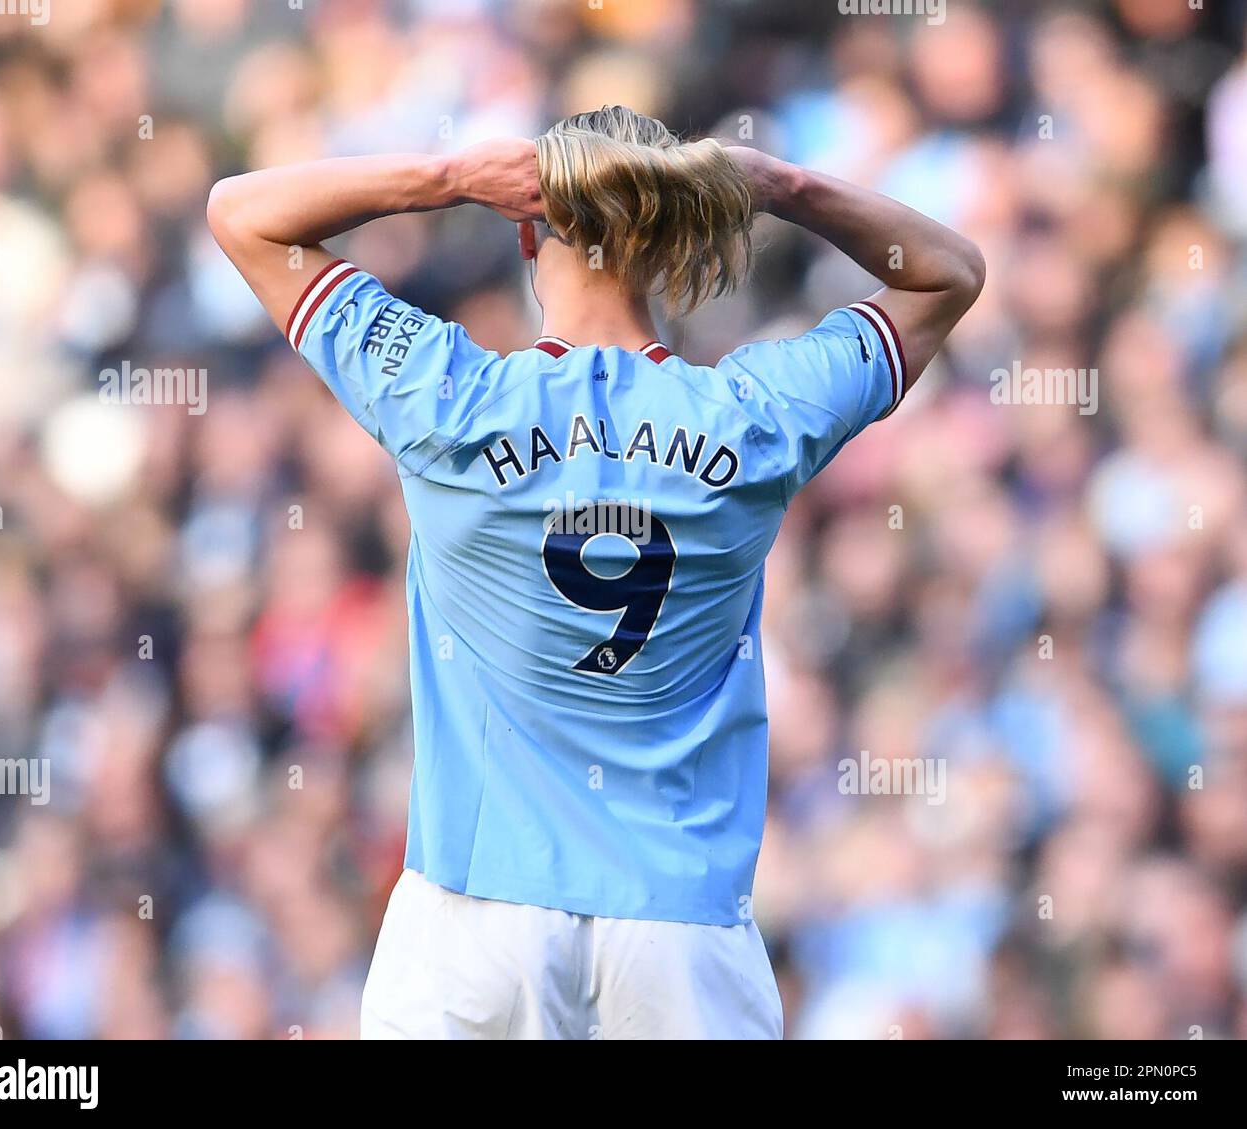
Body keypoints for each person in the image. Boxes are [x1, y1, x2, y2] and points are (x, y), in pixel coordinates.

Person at [207, 105, 984, 1039]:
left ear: (528, 229)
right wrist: (784, 186)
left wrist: (449, 177)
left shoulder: (445, 396)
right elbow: (948, 276)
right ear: (672, 239)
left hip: (476, 909)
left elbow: (241, 212)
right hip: (679, 931)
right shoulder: (756, 417)